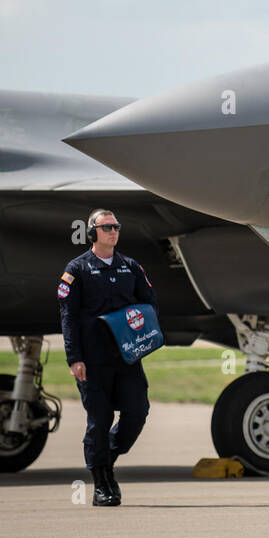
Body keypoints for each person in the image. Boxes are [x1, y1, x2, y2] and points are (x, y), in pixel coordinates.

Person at [57, 209, 155, 507]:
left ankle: (106, 457)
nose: (113, 231)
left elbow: (149, 303)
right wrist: (74, 358)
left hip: (126, 356)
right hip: (93, 360)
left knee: (137, 412)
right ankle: (102, 484)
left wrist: (143, 334)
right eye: (106, 227)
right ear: (92, 233)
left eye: (116, 227)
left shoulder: (131, 267)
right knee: (99, 420)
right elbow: (68, 317)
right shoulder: (77, 270)